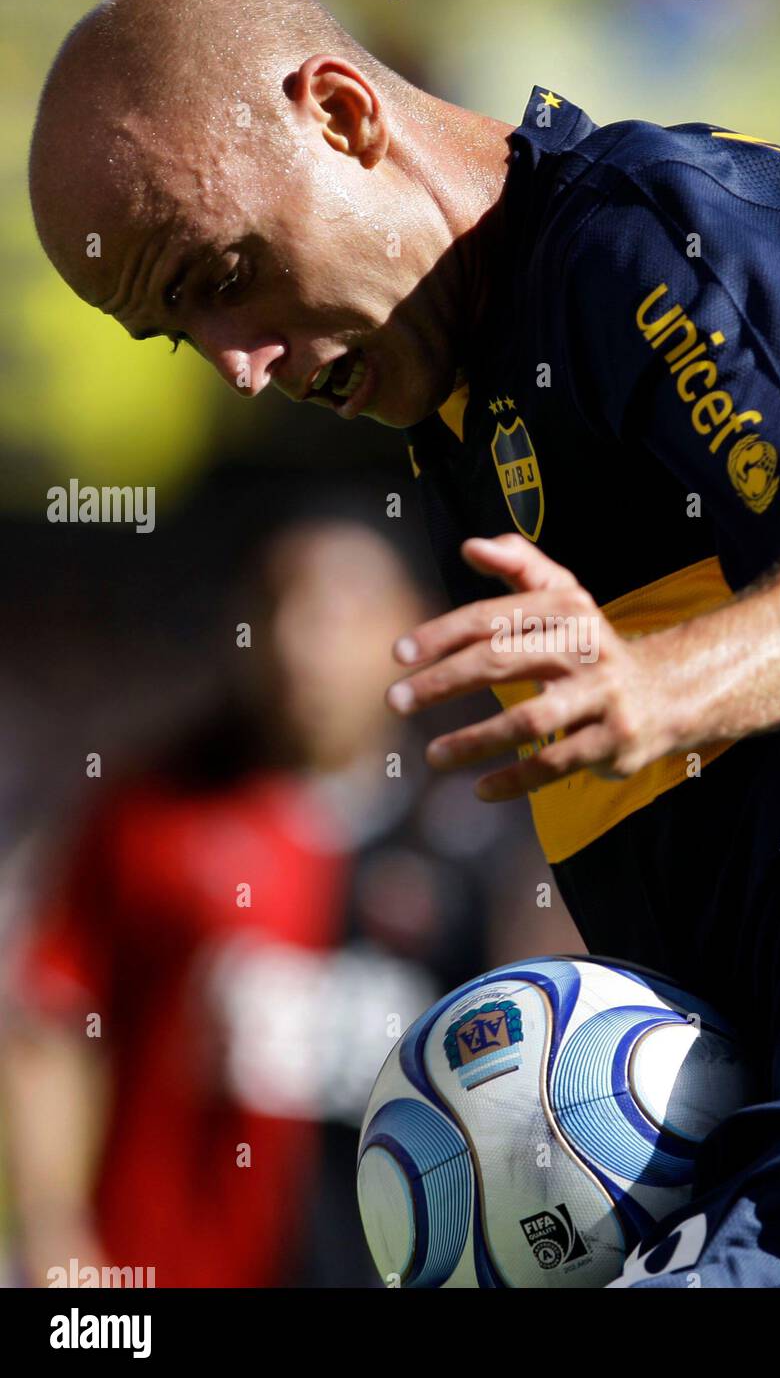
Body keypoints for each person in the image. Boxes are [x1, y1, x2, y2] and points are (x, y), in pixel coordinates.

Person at [28, 0, 780, 1286]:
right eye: (175, 329)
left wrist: (654, 684)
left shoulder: (647, 232)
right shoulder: (463, 410)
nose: (232, 361)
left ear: (343, 114)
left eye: (221, 277)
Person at [0, 514, 567, 1287]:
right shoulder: (151, 814)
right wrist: (57, 1236)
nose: (303, 642)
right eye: (277, 606)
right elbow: (53, 1024)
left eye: (339, 611)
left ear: (408, 625)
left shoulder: (480, 839)